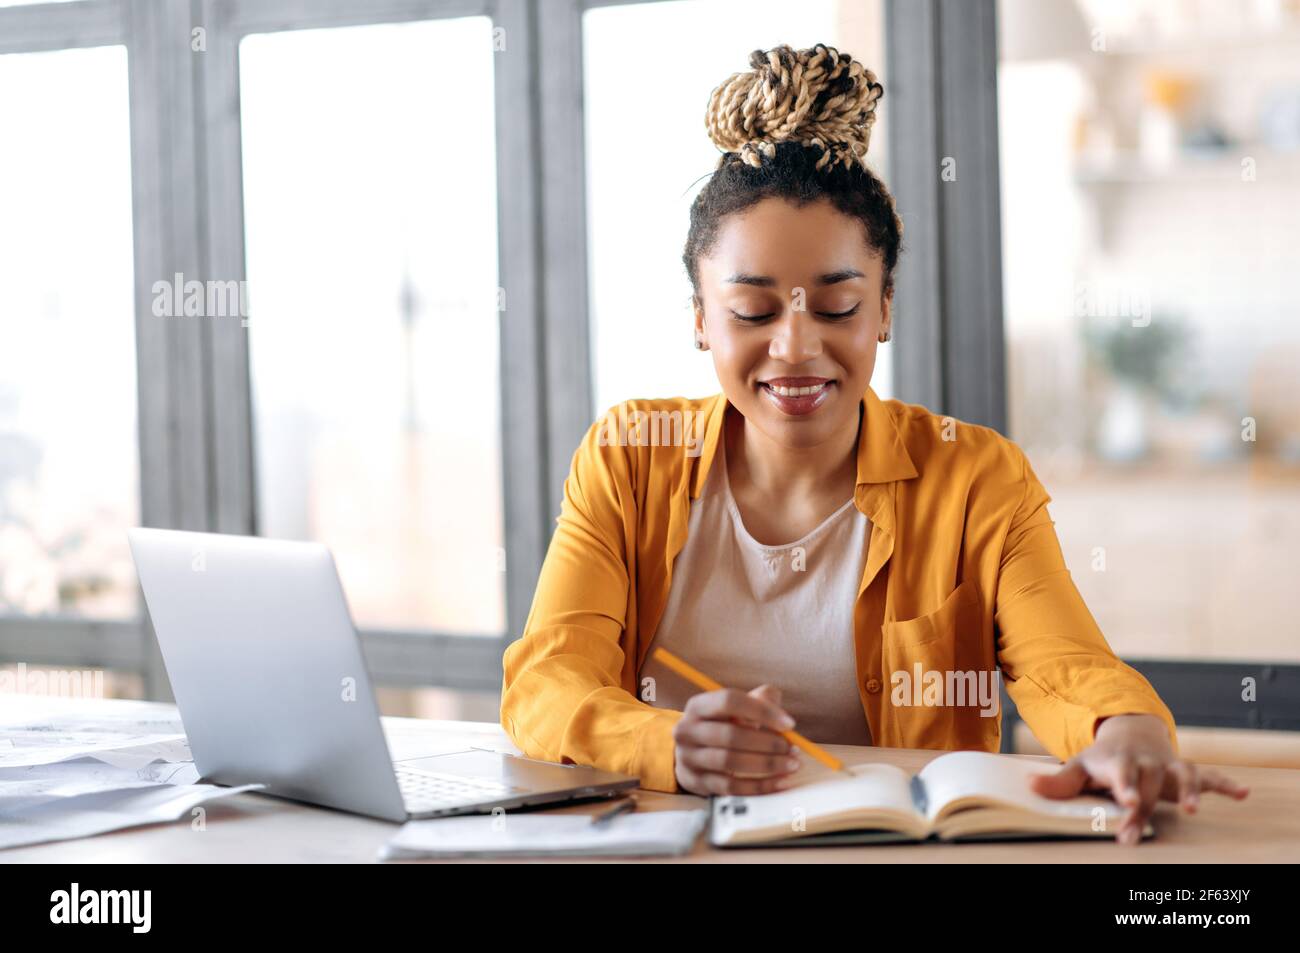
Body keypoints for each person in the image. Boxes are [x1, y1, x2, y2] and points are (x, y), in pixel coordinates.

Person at [500, 43, 1247, 845]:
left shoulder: (976, 477)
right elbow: (547, 680)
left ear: (884, 309)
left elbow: (1065, 665)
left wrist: (1125, 728)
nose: (794, 348)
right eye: (753, 312)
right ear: (699, 319)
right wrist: (664, 743)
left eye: (837, 308)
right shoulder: (627, 457)